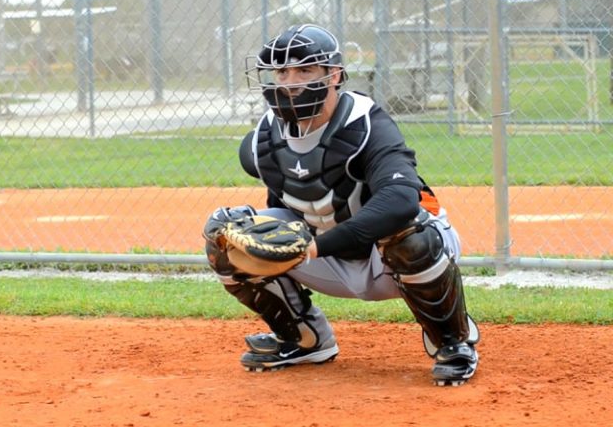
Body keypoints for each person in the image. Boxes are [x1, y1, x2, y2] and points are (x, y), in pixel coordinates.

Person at [203, 23, 480, 386]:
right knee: (225, 236)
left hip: (394, 258)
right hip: (327, 258)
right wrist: (273, 241)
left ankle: (452, 340)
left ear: (334, 75)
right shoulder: (264, 139)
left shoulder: (364, 124)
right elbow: (283, 204)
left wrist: (316, 247)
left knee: (412, 236)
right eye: (282, 72)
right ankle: (303, 339)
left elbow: (400, 201)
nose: (290, 82)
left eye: (305, 70)